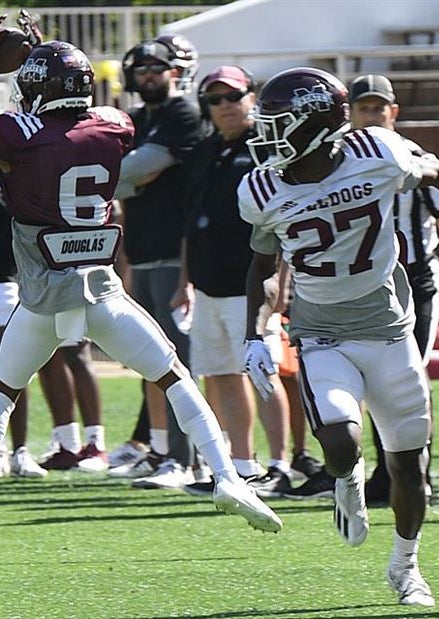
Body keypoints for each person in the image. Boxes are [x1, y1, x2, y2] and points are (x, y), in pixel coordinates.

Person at [0, 10, 281, 561]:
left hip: (42, 299)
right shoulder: (112, 126)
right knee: (176, 379)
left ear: (34, 91)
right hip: (102, 296)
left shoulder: (18, 136)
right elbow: (66, 125)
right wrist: (48, 55)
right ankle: (227, 477)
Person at [238, 66, 439, 606]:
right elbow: (263, 263)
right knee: (339, 441)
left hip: (389, 330)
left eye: (279, 123)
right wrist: (255, 332)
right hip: (321, 332)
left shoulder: (378, 150)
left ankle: (406, 565)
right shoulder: (260, 188)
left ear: (316, 124)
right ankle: (346, 480)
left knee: (409, 466)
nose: (267, 136)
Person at [347, 73, 439, 503]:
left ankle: (414, 472)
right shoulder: (340, 162)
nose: (370, 116)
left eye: (377, 108)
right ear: (349, 114)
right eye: (363, 108)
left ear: (393, 112)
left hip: (415, 281)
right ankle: (386, 473)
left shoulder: (416, 158)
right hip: (364, 286)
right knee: (369, 380)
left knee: (409, 378)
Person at [168, 64, 297, 496]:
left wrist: (283, 280)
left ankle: (279, 464)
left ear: (252, 98)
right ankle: (241, 465)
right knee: (221, 374)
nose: (224, 106)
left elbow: (286, 221)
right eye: (215, 99)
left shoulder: (268, 150)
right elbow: (189, 224)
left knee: (263, 373)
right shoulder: (205, 151)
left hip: (251, 287)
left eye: (232, 96)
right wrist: (185, 280)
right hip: (206, 285)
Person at [113, 33, 206, 490]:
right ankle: (161, 449)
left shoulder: (182, 115)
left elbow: (128, 171)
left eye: (157, 69)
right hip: (146, 251)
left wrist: (128, 178)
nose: (149, 77)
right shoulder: (137, 119)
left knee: (176, 362)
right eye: (142, 70)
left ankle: (185, 458)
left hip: (177, 251)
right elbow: (129, 178)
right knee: (151, 360)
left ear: (176, 72)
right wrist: (131, 179)